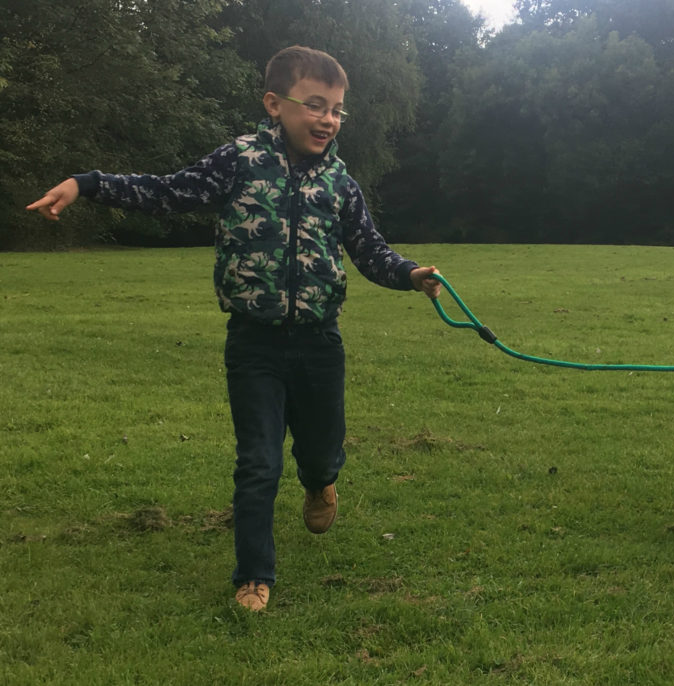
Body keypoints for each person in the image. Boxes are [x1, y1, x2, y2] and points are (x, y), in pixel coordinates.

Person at [26, 45, 442, 612]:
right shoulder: (239, 161)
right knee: (258, 461)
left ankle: (321, 481)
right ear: (275, 104)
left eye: (338, 110)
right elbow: (167, 192)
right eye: (315, 105)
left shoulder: (340, 181)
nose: (328, 119)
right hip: (254, 342)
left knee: (320, 453)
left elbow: (368, 249)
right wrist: (87, 183)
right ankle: (254, 574)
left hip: (320, 342)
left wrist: (409, 274)